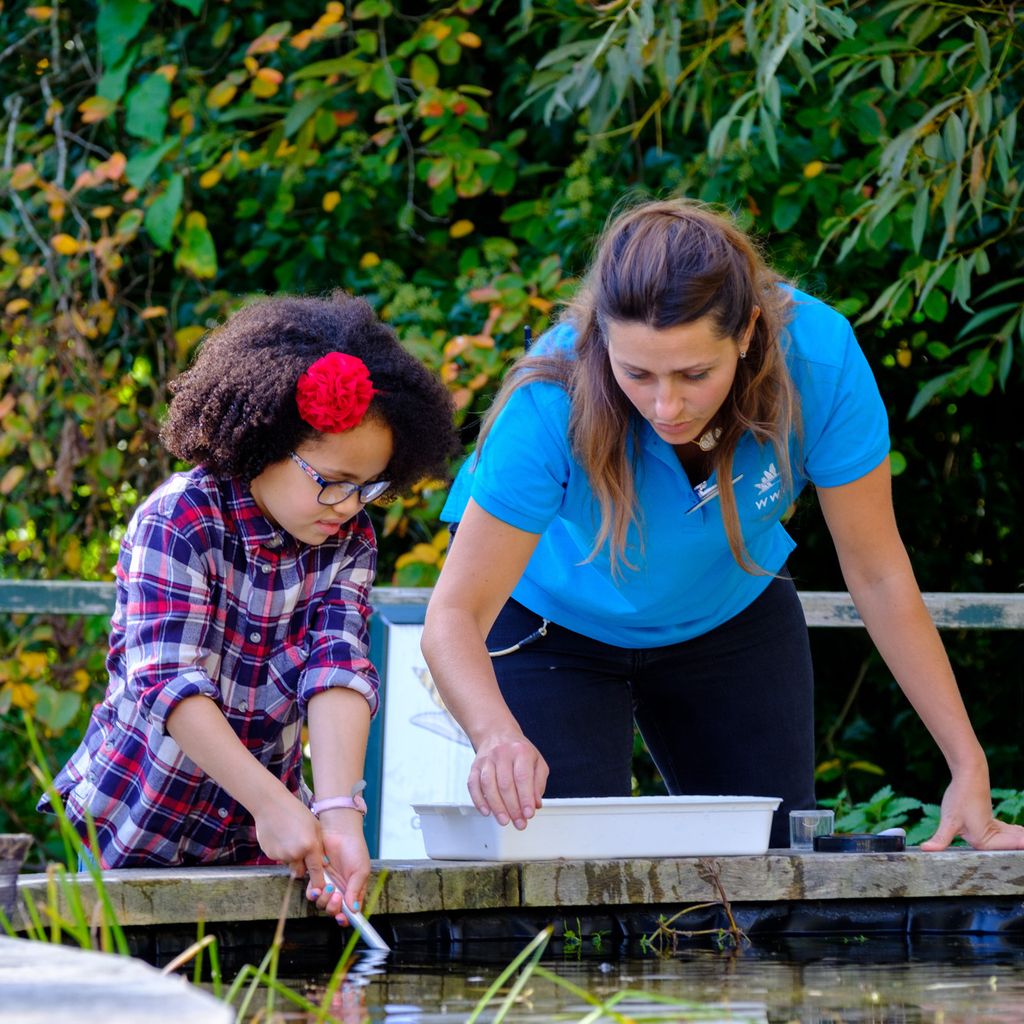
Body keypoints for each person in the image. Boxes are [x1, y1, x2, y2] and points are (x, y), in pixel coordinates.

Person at [420, 197, 1024, 851]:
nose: (665, 404)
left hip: (729, 607)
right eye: (637, 373)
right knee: (567, 885)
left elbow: (877, 574)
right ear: (602, 342)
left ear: (747, 333)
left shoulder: (818, 360)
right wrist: (495, 734)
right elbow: (451, 617)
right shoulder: (547, 401)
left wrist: (968, 764)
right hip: (550, 624)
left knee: (773, 868)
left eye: (694, 374)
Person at [42, 291, 459, 921]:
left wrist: (338, 813)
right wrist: (270, 802)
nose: (347, 505)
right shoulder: (179, 519)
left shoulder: (348, 539)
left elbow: (337, 666)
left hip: (258, 836)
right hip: (133, 823)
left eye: (367, 488)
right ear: (265, 439)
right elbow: (166, 680)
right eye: (331, 481)